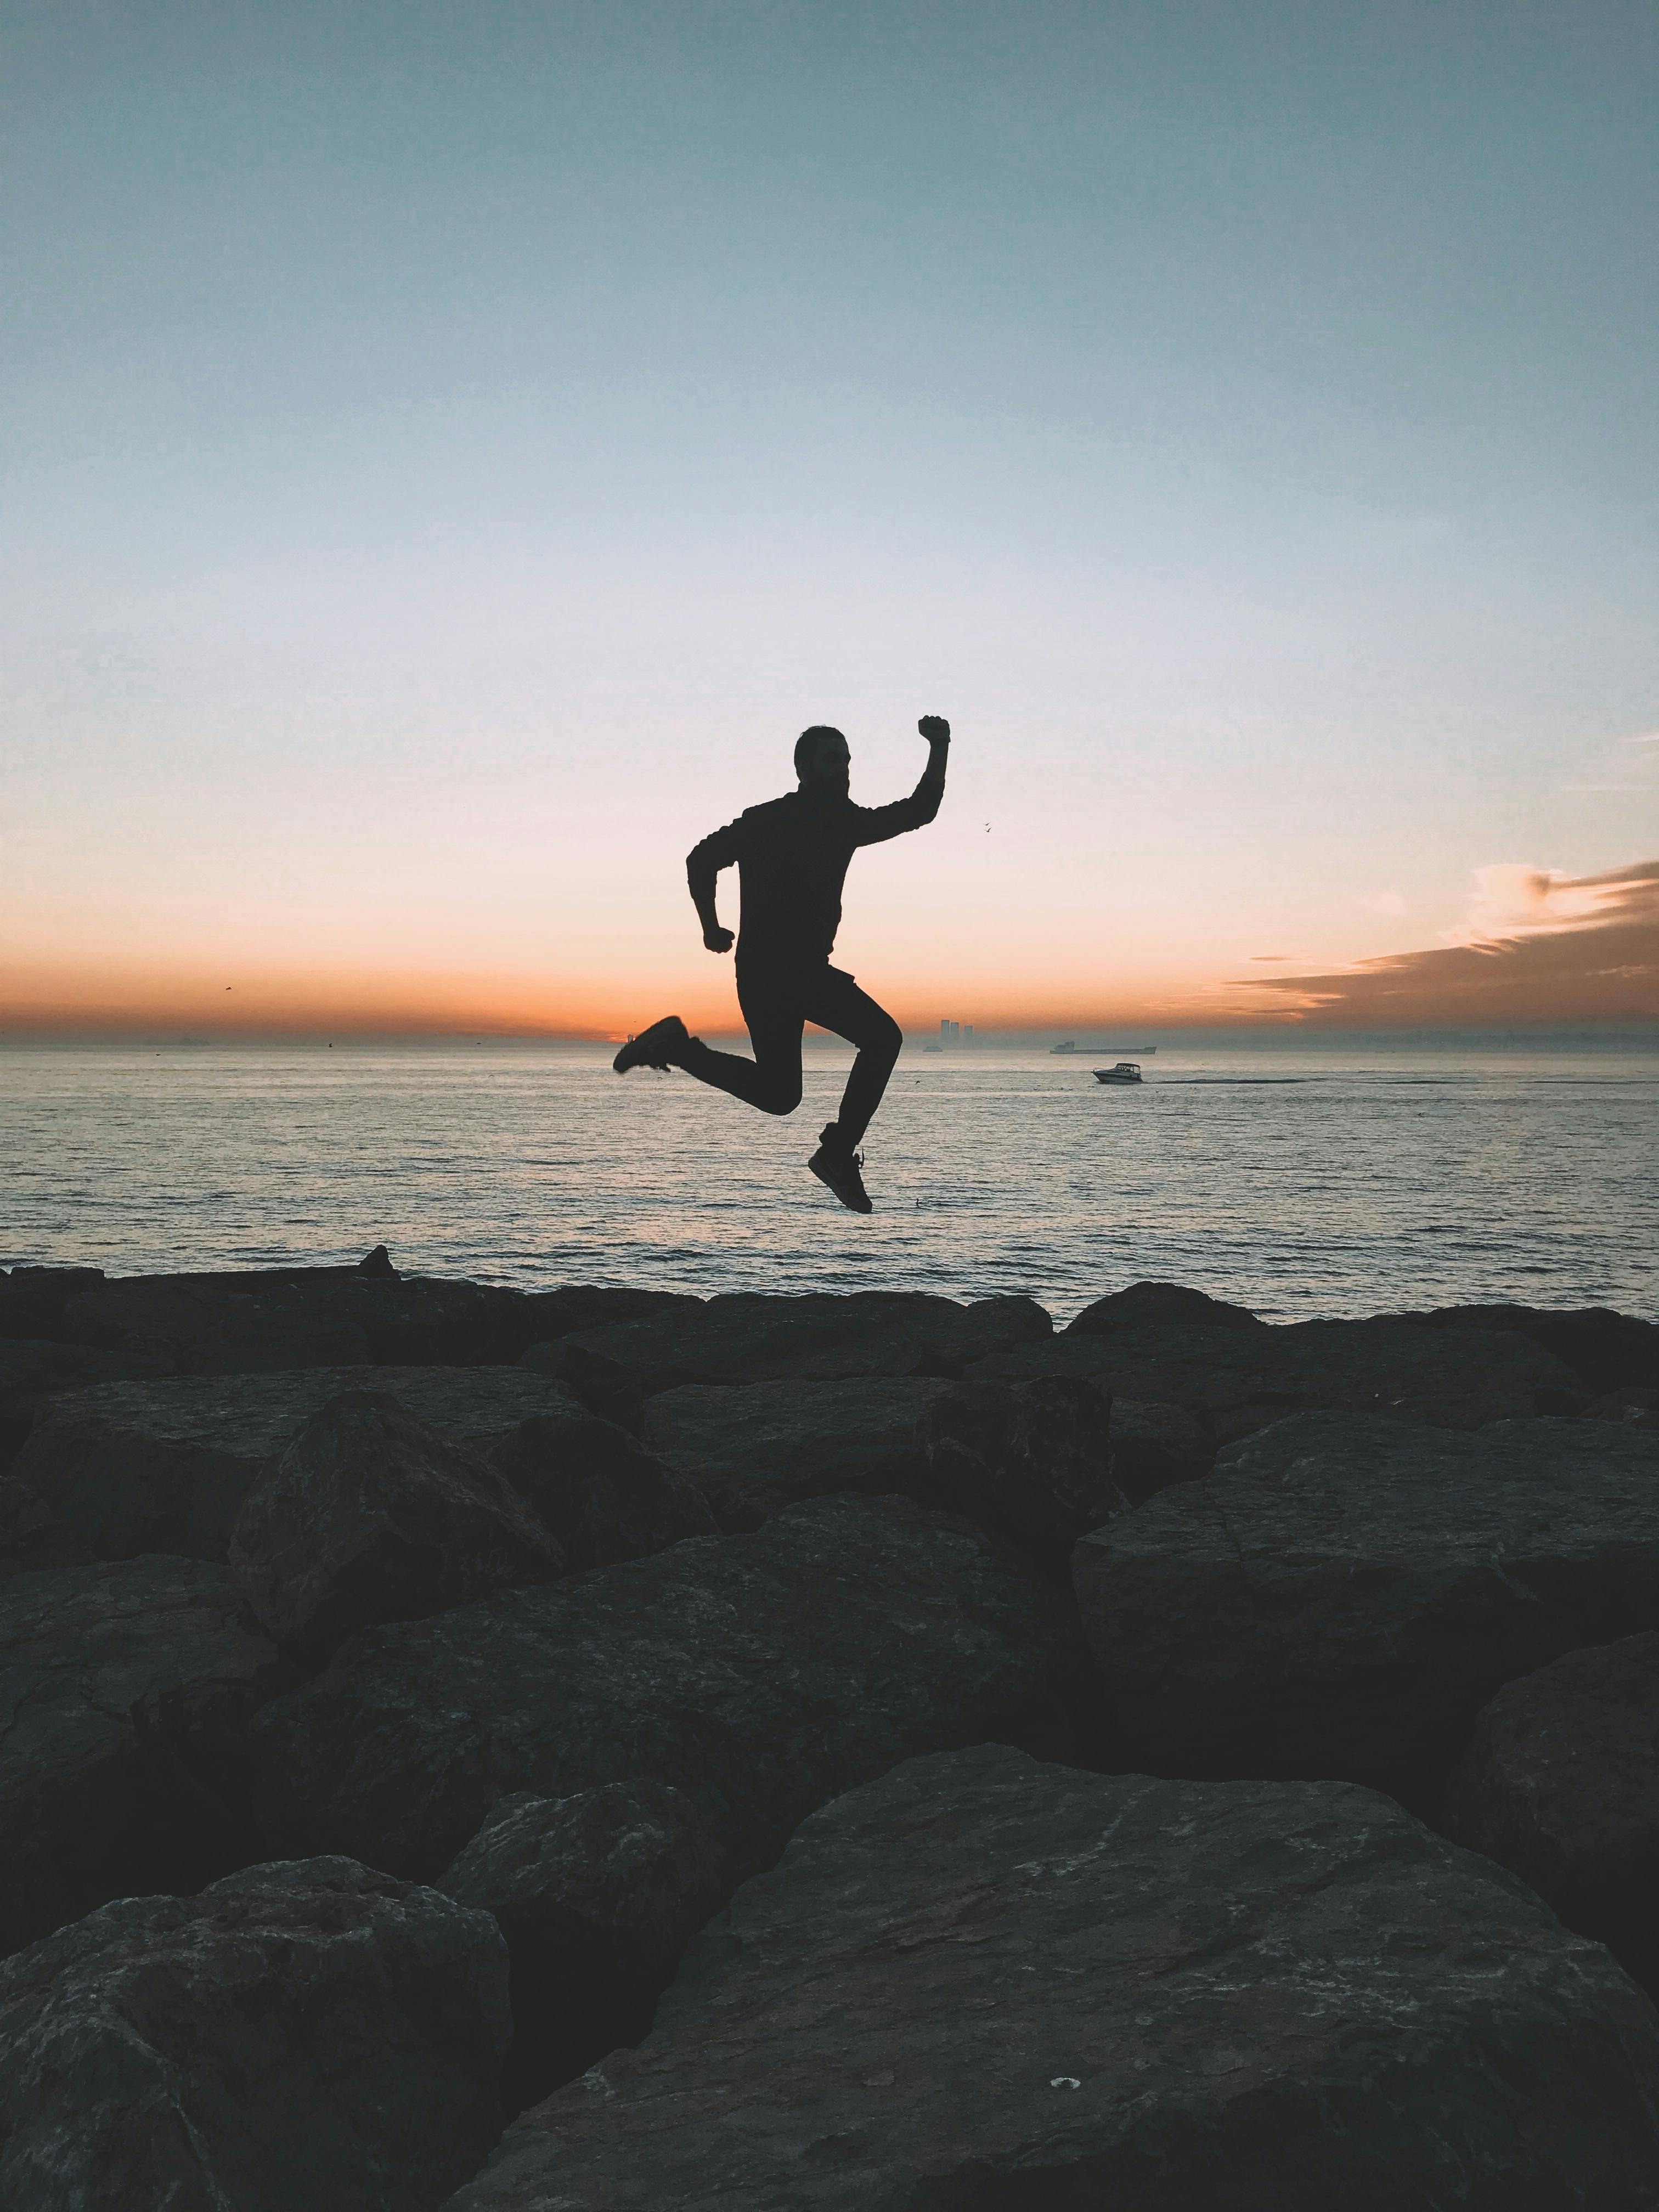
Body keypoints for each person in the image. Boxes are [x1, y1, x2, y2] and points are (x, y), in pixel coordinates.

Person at [613, 715, 952, 1211]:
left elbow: (919, 810)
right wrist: (709, 926)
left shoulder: (838, 821)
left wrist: (940, 747)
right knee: (882, 1039)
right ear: (804, 768)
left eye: (847, 761)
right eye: (832, 760)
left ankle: (676, 1049)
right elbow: (700, 860)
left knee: (780, 1094)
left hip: (770, 974)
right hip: (785, 972)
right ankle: (836, 1154)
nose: (844, 769)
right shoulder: (776, 820)